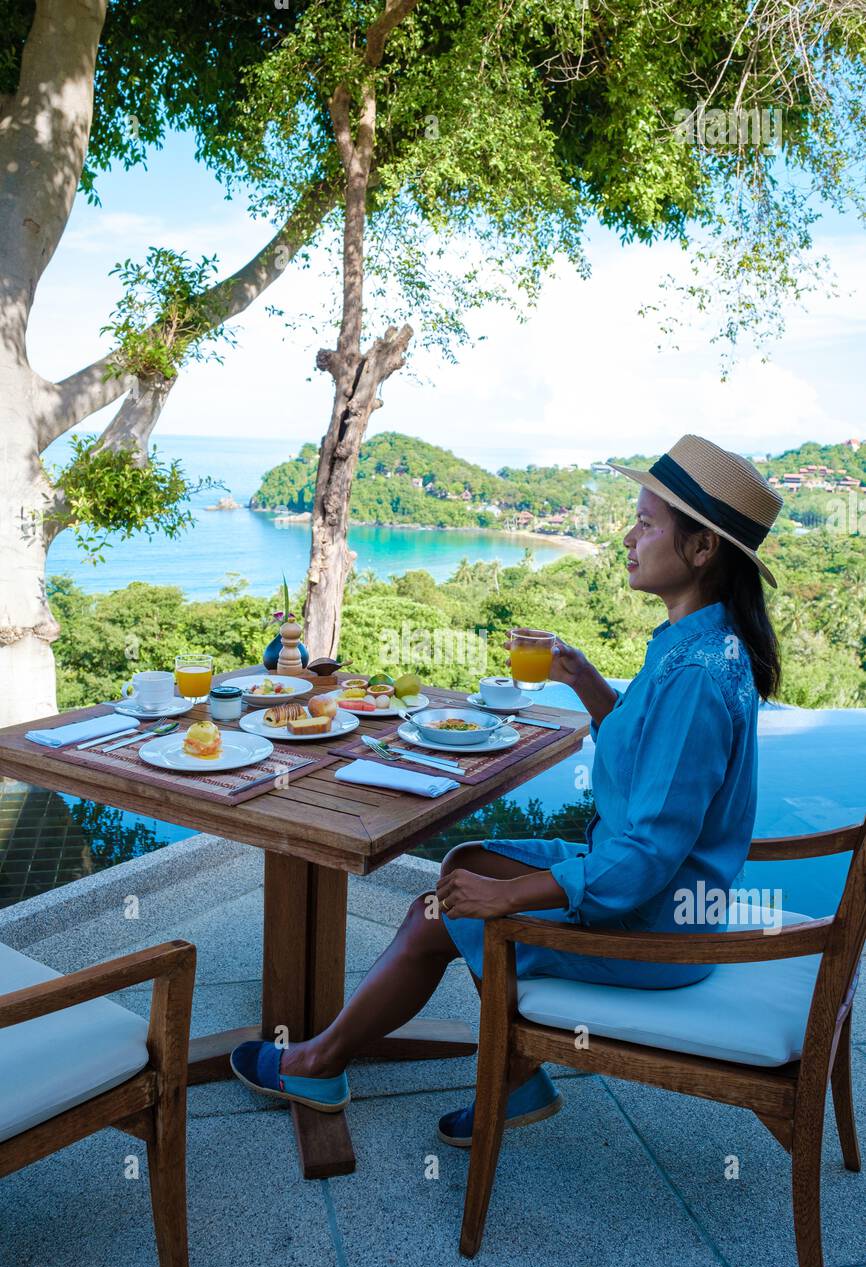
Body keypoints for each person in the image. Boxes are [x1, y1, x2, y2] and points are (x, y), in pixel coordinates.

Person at [231, 434, 784, 1146]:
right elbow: (649, 767)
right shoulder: (695, 644)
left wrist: (512, 898)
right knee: (462, 871)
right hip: (660, 892)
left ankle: (316, 1061)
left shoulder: (699, 675)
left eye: (646, 523)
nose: (628, 536)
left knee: (445, 910)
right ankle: (512, 1078)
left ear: (703, 550)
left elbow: (646, 855)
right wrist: (585, 679)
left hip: (656, 924)